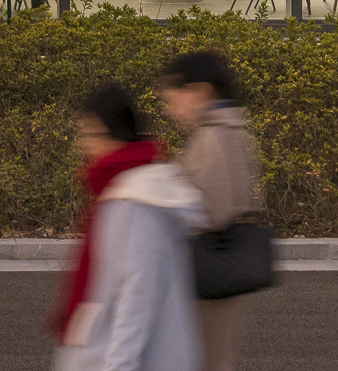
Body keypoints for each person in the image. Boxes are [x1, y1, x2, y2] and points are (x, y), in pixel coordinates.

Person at [50, 81, 200, 371]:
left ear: (116, 135)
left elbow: (137, 293)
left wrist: (119, 364)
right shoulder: (124, 189)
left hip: (131, 358)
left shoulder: (134, 200)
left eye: (91, 134)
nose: (84, 144)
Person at [159, 51, 267, 371]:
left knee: (202, 359)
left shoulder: (212, 135)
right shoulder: (232, 127)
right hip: (224, 270)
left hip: (207, 272)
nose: (169, 110)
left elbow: (210, 211)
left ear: (200, 92)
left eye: (172, 99)